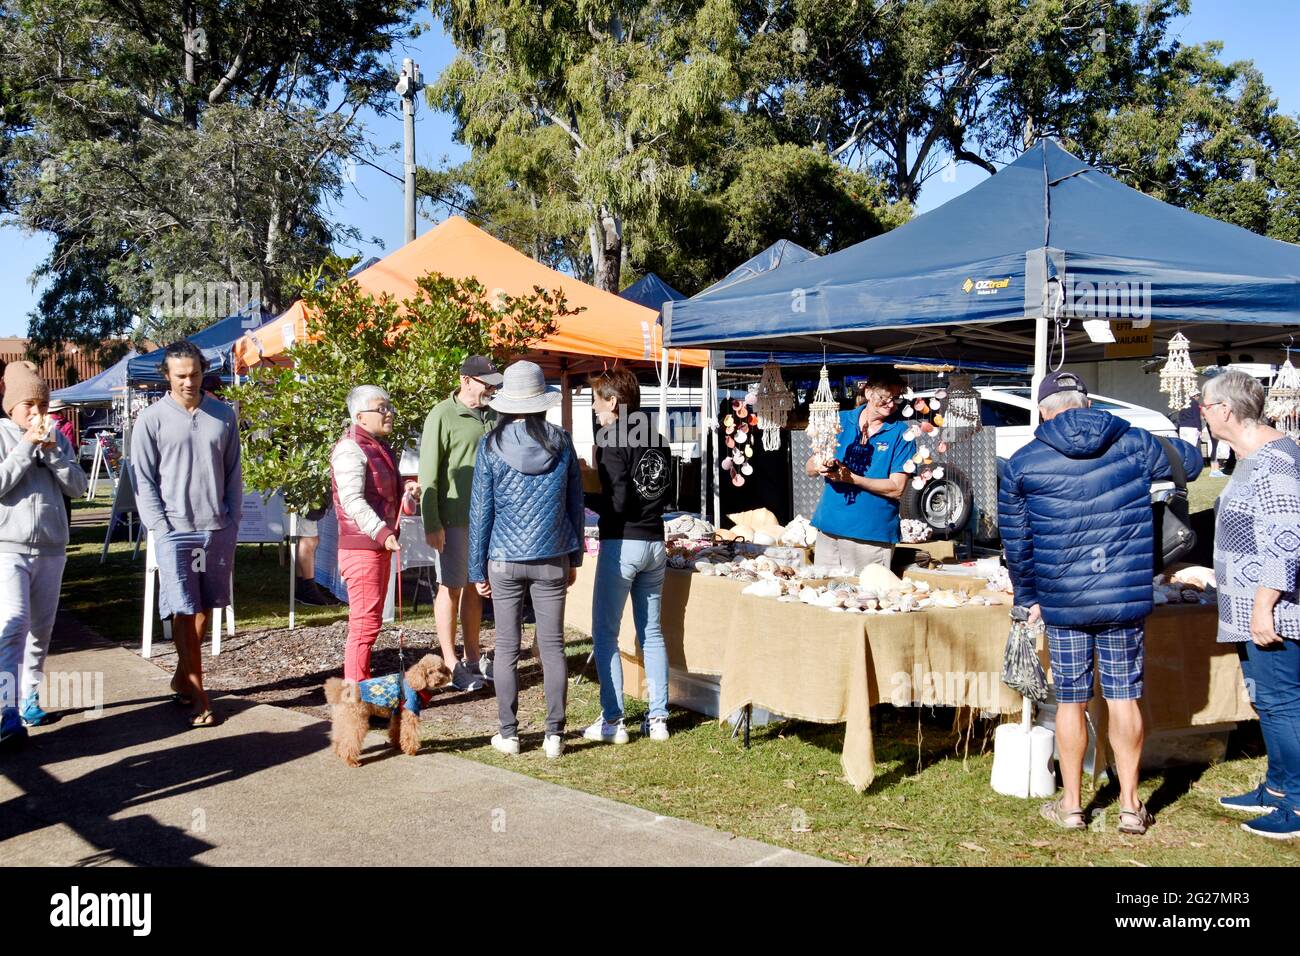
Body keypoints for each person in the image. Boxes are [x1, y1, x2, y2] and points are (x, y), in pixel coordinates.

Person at [998, 370, 1201, 835]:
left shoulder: (1023, 461)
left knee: (1071, 700)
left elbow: (1017, 542)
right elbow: (1189, 464)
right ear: (1087, 404)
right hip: (1123, 594)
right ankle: (1131, 806)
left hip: (1064, 599)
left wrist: (1028, 596)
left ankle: (1072, 806)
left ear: (1044, 412)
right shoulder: (1132, 441)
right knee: (1124, 695)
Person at [467, 361, 584, 759]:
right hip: (553, 556)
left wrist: (475, 567)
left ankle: (509, 733)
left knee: (507, 648)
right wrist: (576, 557)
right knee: (552, 647)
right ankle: (555, 735)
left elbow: (480, 511)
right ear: (541, 402)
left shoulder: (490, 444)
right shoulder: (562, 442)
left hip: (503, 558)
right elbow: (575, 504)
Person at [1202, 369, 1300, 840]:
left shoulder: (1275, 462)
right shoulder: (1250, 458)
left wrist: (1265, 606)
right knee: (1269, 703)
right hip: (1248, 608)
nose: (1201, 415)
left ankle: (1297, 804)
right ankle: (1278, 787)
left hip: (1274, 612)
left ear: (1224, 410)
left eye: (1203, 406)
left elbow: (1286, 541)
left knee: (1284, 705)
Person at [131, 342, 242, 727]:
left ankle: (181, 678)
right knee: (184, 608)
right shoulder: (151, 420)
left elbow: (233, 474)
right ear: (167, 376)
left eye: (194, 374)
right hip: (174, 530)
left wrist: (232, 520)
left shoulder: (223, 415)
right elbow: (142, 479)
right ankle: (200, 695)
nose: (188, 382)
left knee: (205, 608)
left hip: (216, 528)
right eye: (180, 376)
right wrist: (160, 527)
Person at [0, 362, 89, 743]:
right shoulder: (4, 437)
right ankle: (5, 710)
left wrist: (54, 454)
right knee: (14, 623)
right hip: (9, 546)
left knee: (41, 630)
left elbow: (79, 488)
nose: (37, 413)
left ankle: (28, 697)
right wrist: (25, 447)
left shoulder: (58, 438)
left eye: (42, 404)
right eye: (28, 405)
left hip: (52, 545)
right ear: (10, 407)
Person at [584, 367, 672, 745]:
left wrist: (583, 491)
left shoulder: (611, 437)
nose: (594, 409)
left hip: (623, 541)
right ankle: (659, 719)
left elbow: (617, 501)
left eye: (597, 401)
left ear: (614, 401)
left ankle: (613, 721)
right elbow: (664, 492)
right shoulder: (657, 435)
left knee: (605, 633)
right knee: (651, 631)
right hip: (655, 540)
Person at [419, 355, 502, 691]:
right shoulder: (442, 414)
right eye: (487, 383)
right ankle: (451, 663)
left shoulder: (495, 414)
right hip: (454, 518)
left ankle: (472, 655)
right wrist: (432, 522)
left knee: (475, 586)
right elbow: (429, 472)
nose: (492, 389)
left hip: (490, 518)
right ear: (466, 380)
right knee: (450, 587)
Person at [330, 385, 417, 683]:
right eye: (382, 408)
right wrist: (382, 533)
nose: (389, 413)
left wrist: (407, 495)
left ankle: (359, 693)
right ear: (360, 416)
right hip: (362, 549)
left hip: (377, 546)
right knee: (365, 625)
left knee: (371, 623)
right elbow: (352, 501)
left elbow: (387, 500)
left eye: (389, 407)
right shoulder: (349, 449)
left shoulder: (379, 447)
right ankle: (355, 697)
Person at [806, 378, 915, 573]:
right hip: (829, 528)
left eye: (896, 399)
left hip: (870, 535)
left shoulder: (902, 434)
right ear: (868, 392)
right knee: (824, 594)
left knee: (866, 597)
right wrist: (820, 464)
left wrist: (851, 478)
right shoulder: (840, 420)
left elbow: (897, 488)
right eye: (885, 398)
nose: (891, 405)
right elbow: (809, 467)